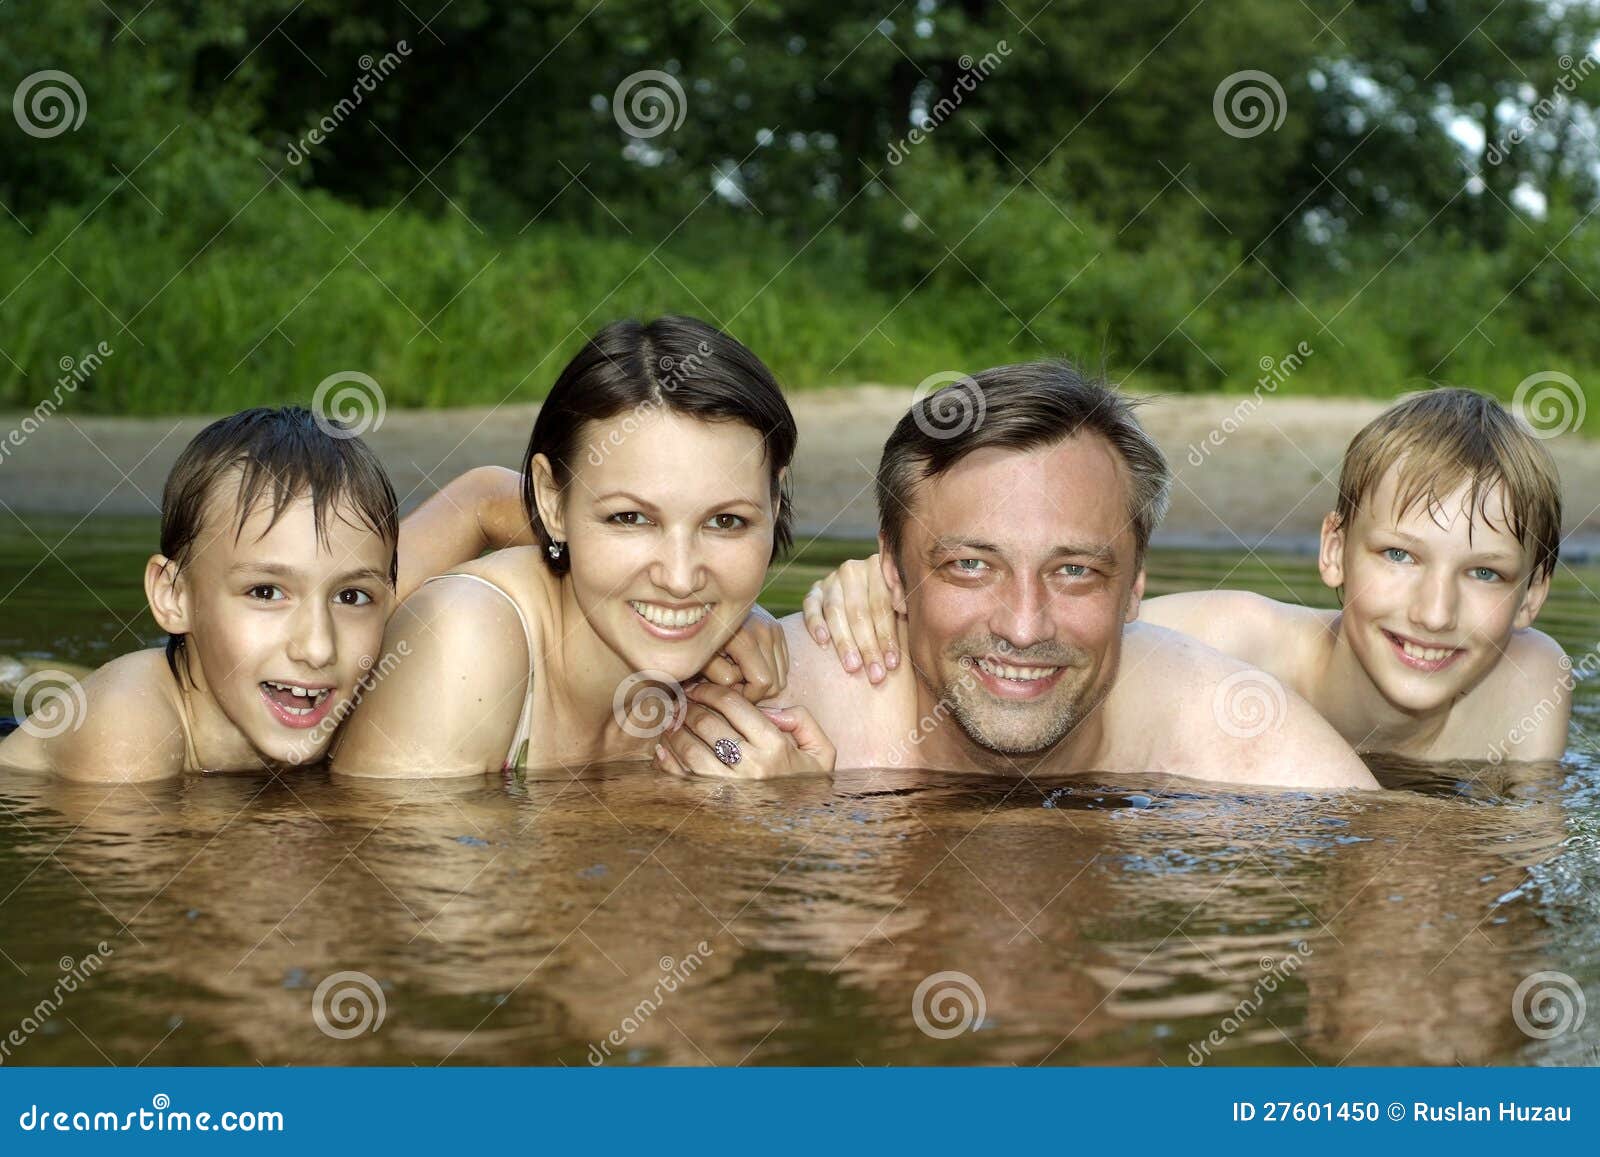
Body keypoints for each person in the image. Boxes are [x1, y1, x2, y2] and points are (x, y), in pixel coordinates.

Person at [665, 361, 1376, 789]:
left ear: (1135, 588)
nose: (1024, 625)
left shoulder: (1233, 732)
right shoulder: (773, 707)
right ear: (890, 568)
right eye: (971, 565)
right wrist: (773, 825)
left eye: (1074, 571)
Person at [805, 387, 1570, 763]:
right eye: (1398, 555)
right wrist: (877, 588)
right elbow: (1064, 641)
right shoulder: (1220, 642)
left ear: (1533, 593)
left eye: (1484, 574)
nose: (1434, 610)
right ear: (1333, 549)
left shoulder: (1529, 687)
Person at [331, 316, 835, 780]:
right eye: (630, 518)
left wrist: (789, 799)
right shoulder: (465, 638)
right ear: (552, 500)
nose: (681, 579)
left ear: (774, 502)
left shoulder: (740, 676)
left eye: (727, 521)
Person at [0, 406, 399, 781]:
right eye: (265, 591)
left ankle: (18, 674)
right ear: (174, 596)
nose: (317, 648)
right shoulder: (126, 727)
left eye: (351, 597)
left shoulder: (328, 688)